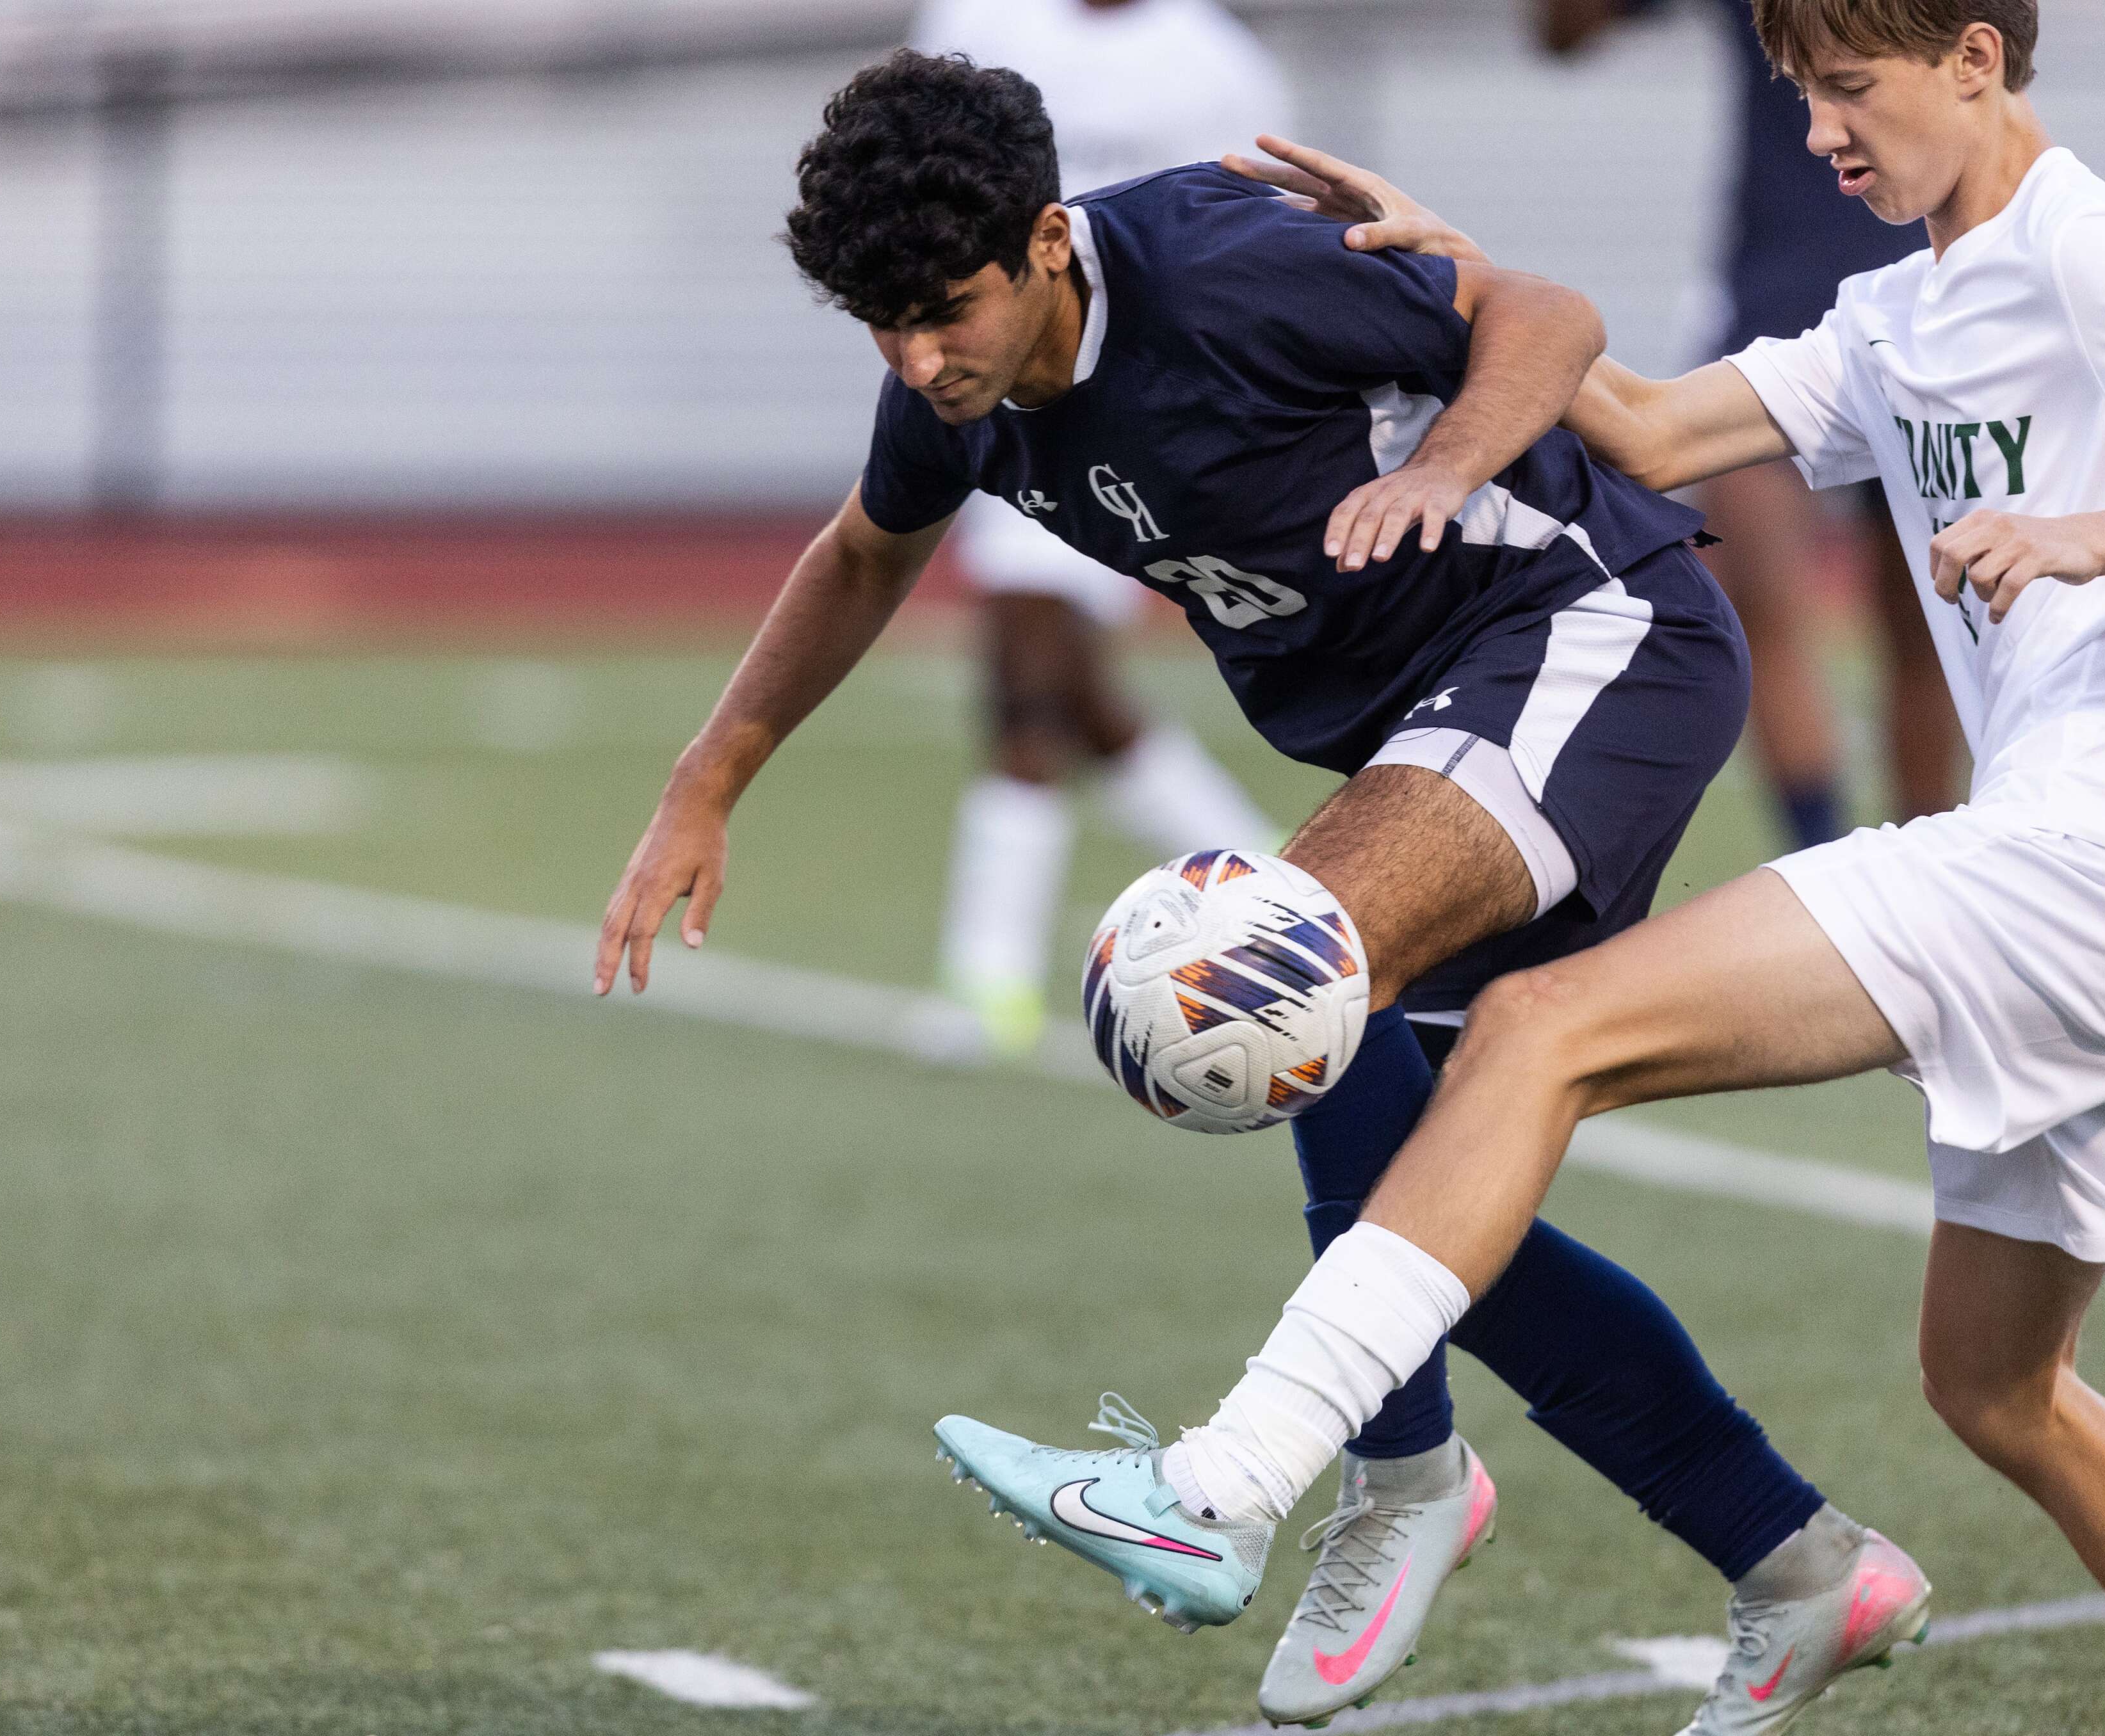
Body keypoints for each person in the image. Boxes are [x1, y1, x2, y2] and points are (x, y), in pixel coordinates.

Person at [944, 4, 2105, 1735]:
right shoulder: (1897, 310)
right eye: (1802, 98)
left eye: (1854, 91)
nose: (1823, 136)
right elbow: (1634, 427)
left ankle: (1228, 1481)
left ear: (1981, 66)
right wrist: (1450, 270)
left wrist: (2089, 533)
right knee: (2001, 1392)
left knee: (1537, 1032)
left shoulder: (2091, 252)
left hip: (2102, 856)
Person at [596, 51, 1925, 1733]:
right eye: (879, 324)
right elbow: (869, 549)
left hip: (1591, 645)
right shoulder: (950, 382)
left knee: (1252, 963)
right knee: (1436, 1215)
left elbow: (1548, 314)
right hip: (1433, 726)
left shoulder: (1223, 267)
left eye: (943, 310)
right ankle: (1797, 1564)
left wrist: (1449, 465)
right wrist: (703, 782)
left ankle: (1303, 1488)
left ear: (1048, 244)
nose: (916, 359)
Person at [910, 0, 1291, 1059]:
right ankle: (1273, 893)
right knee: (1069, 694)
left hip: (1130, 412)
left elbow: (1262, 228)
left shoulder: (1216, 61)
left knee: (1026, 682)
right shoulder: (978, 22)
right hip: (1000, 398)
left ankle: (987, 983)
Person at [1533, 0, 1961, 848]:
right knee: (1756, 605)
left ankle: (1934, 877)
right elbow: (1563, 31)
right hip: (1776, 296)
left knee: (1930, 620)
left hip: (1921, 293)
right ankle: (1827, 866)